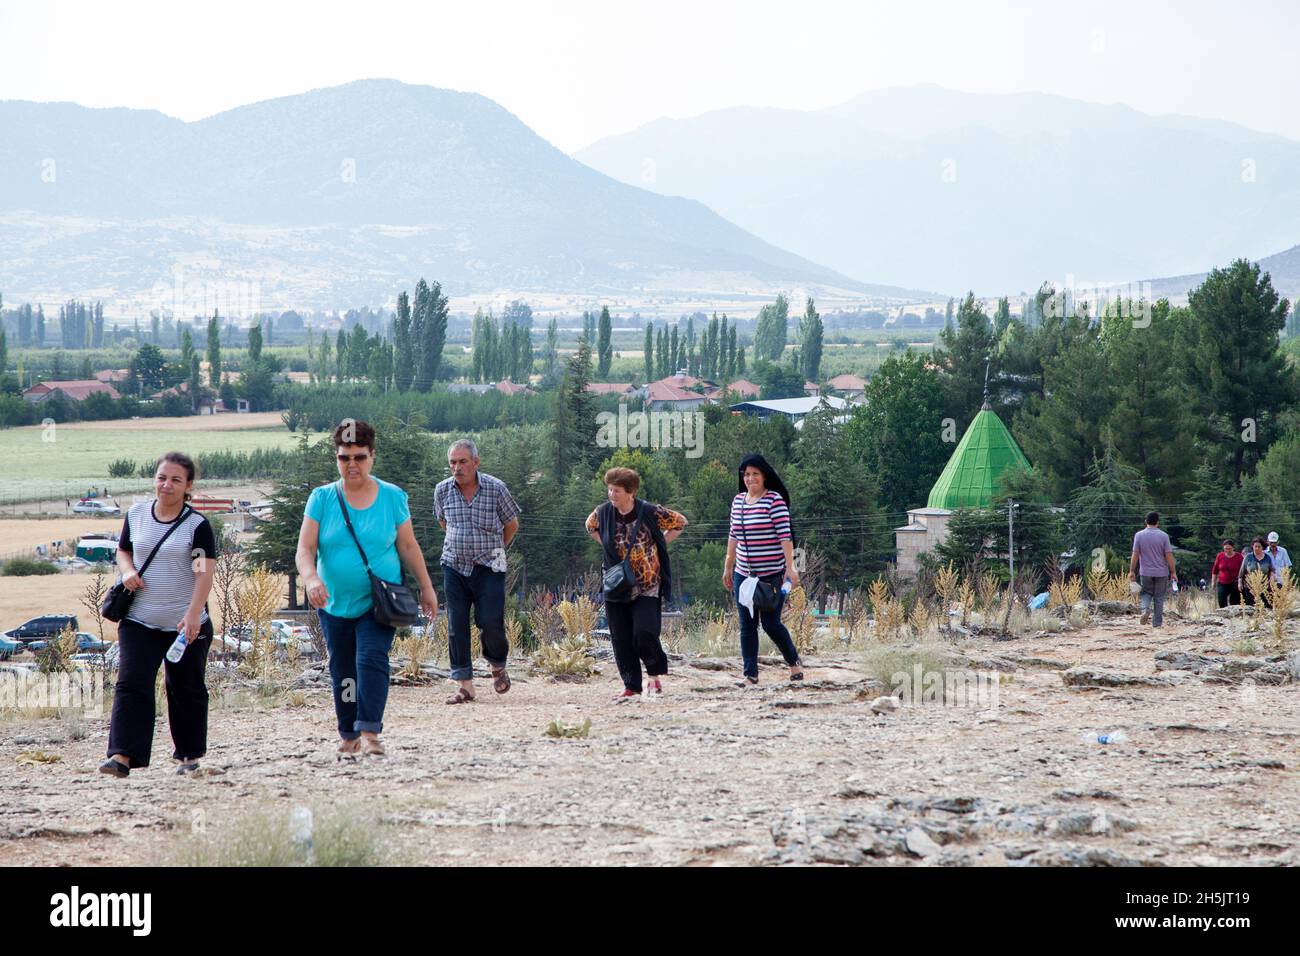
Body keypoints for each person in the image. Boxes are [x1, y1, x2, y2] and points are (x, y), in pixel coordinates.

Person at [297, 420, 438, 758]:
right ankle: (349, 733)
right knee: (343, 670)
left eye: (359, 457)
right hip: (334, 603)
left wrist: (427, 587)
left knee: (371, 659)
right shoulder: (321, 499)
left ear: (372, 456)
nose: (352, 464)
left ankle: (371, 730)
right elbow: (305, 548)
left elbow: (407, 546)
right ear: (336, 458)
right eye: (344, 457)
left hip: (379, 602)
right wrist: (312, 579)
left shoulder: (392, 497)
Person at [101, 452, 217, 778]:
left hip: (184, 624)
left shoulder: (197, 525)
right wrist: (127, 571)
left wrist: (193, 614)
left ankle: (188, 757)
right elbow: (124, 550)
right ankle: (122, 756)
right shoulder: (137, 514)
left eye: (175, 480)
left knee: (185, 687)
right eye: (162, 478)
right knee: (132, 683)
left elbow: (204, 573)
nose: (166, 485)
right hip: (140, 620)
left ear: (188, 486)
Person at [585, 467, 687, 701]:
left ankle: (654, 673)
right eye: (610, 490)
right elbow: (590, 527)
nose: (612, 495)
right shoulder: (603, 512)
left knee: (644, 632)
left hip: (647, 582)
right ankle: (631, 686)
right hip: (616, 584)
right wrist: (608, 546)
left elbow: (680, 522)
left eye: (617, 491)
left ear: (630, 492)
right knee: (620, 637)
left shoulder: (649, 511)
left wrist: (659, 543)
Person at [435, 439, 520, 705]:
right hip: (454, 564)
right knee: (456, 624)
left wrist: (495, 548)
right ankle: (465, 686)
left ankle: (497, 666)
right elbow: (443, 522)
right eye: (452, 462)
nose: (457, 468)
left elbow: (512, 524)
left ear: (476, 462)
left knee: (490, 620)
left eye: (462, 462)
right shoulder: (442, 490)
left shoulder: (496, 488)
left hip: (490, 565)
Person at [723, 454, 804, 684]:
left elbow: (785, 537)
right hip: (743, 574)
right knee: (747, 625)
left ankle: (793, 661)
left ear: (764, 475)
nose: (750, 479)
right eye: (746, 474)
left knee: (770, 624)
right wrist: (728, 566)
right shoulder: (738, 501)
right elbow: (733, 535)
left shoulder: (774, 501)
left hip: (772, 577)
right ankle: (750, 674)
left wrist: (791, 568)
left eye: (755, 474)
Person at [1129, 511, 1176, 628]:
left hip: (1145, 572)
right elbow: (1169, 555)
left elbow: (1135, 554)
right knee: (1159, 597)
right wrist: (1173, 572)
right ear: (1158, 522)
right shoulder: (1164, 536)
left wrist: (1132, 570)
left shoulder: (1139, 535)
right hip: (1162, 572)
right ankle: (1157, 624)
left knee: (1146, 593)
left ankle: (1145, 610)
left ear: (1146, 521)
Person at [1240, 538, 1274, 607]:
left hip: (1264, 586)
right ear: (1252, 546)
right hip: (1249, 587)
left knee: (1266, 606)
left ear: (1262, 547)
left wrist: (1272, 579)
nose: (1257, 548)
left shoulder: (1267, 558)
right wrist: (1240, 582)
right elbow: (1242, 572)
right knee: (1250, 607)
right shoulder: (1248, 557)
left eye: (1259, 546)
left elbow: (1271, 571)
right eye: (1255, 546)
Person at [1210, 540, 1244, 608]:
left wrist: (1242, 582)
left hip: (1235, 583)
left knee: (1235, 603)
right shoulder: (1220, 556)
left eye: (1229, 549)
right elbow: (1215, 570)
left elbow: (1243, 570)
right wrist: (1213, 582)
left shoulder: (1239, 556)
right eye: (1226, 549)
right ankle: (1224, 613)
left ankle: (1234, 614)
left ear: (1233, 548)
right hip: (1222, 583)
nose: (1227, 550)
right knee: (1221, 600)